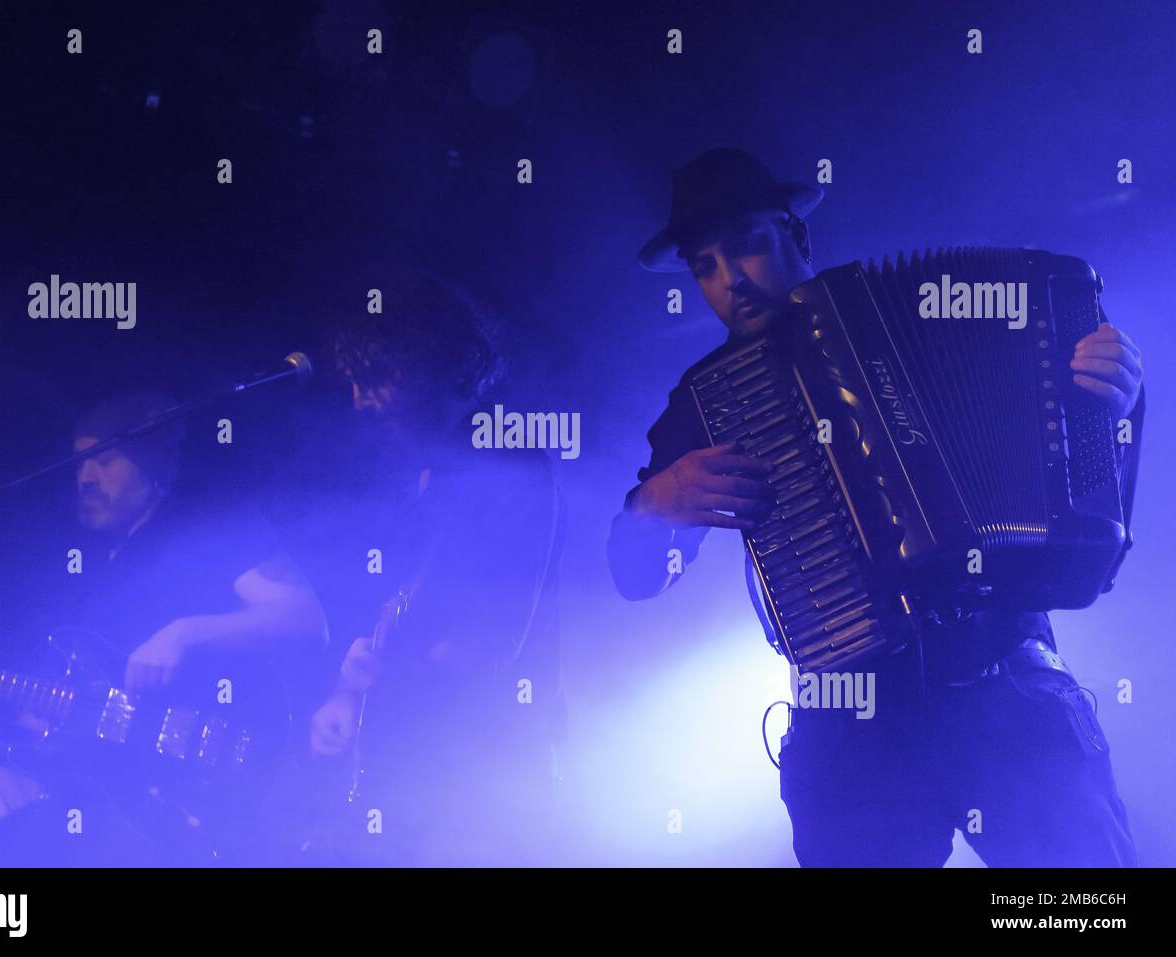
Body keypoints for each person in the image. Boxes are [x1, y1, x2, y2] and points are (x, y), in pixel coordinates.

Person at [607, 148, 1144, 867]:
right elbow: (635, 574)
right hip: (852, 729)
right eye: (704, 264)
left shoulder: (926, 307)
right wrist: (651, 506)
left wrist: (1117, 400)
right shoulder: (708, 400)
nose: (730, 279)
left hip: (1004, 684)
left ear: (796, 237)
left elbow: (1084, 473)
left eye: (747, 244)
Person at [0, 390, 329, 866]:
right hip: (130, 801)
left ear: (151, 466)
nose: (85, 478)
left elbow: (302, 617)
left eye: (104, 461)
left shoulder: (202, 520)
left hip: (222, 760)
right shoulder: (89, 563)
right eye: (80, 464)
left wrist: (184, 632)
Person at [303, 273, 566, 866]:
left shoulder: (511, 462)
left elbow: (495, 638)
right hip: (407, 781)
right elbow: (393, 609)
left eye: (375, 380)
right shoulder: (416, 485)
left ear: (435, 365)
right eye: (353, 383)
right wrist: (347, 687)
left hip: (479, 782)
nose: (359, 402)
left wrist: (401, 664)